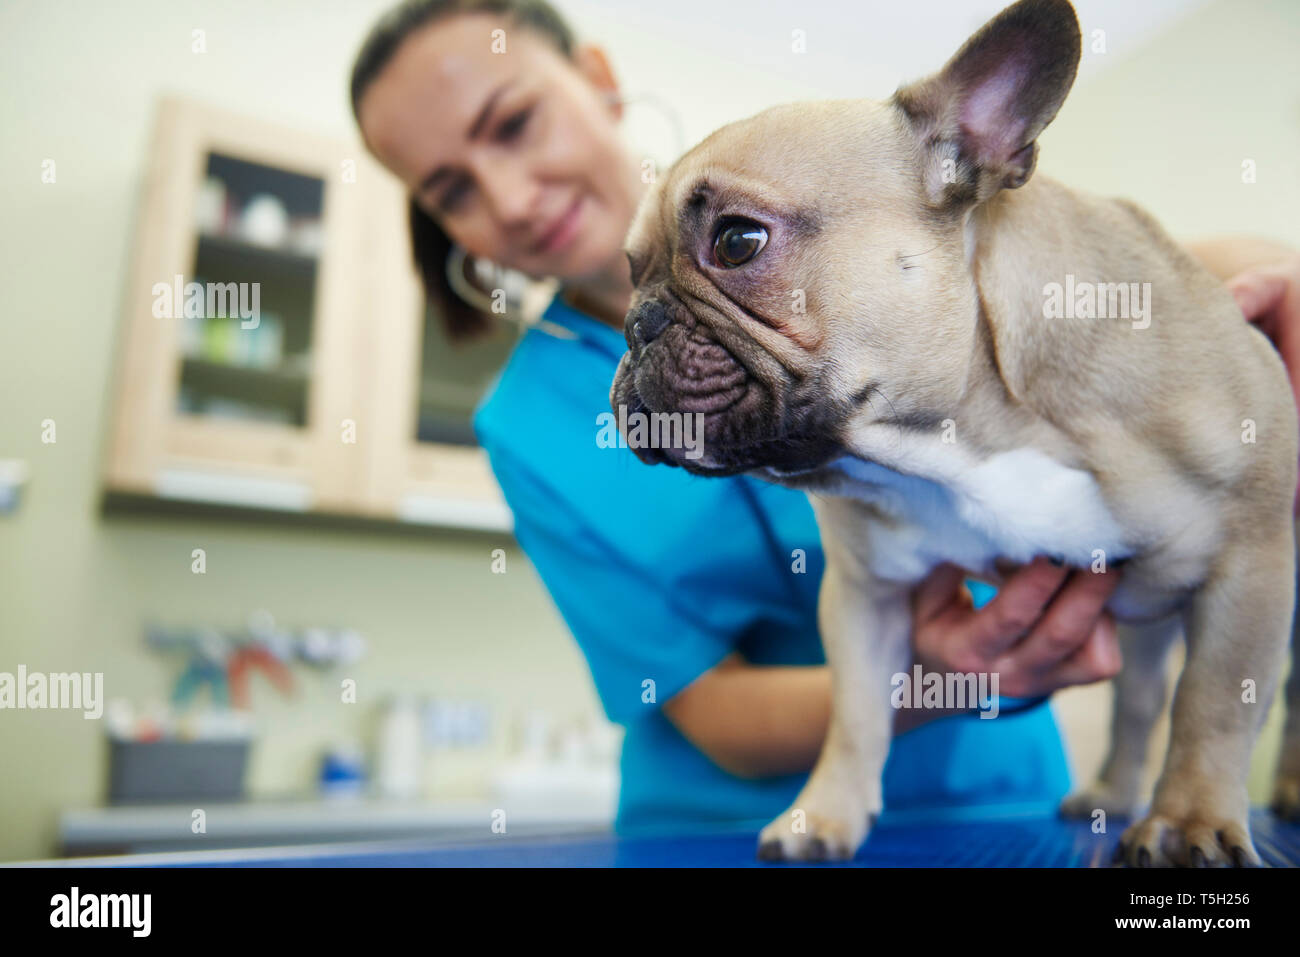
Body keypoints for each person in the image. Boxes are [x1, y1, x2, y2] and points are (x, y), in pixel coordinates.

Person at [350, 0, 1300, 836]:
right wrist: (932, 678)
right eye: (451, 190)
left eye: (513, 124)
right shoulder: (524, 425)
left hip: (1006, 803)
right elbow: (709, 708)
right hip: (723, 828)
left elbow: (1041, 285)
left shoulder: (876, 210)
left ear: (596, 79)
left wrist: (1228, 274)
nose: (510, 196)